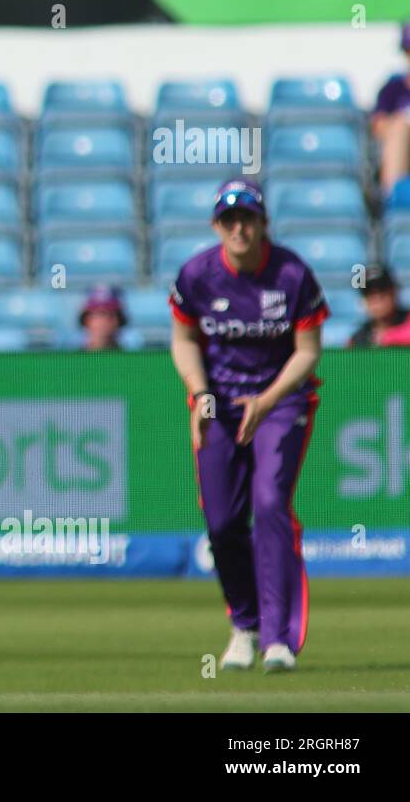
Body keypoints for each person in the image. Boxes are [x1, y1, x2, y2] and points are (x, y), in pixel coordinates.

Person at [168, 179, 328, 674]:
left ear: (263, 224)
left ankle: (279, 638)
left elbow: (308, 352)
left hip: (281, 398)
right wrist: (198, 394)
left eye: (249, 219)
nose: (240, 228)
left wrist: (267, 400)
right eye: (230, 220)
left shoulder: (291, 273)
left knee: (270, 504)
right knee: (220, 520)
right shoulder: (197, 274)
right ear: (217, 226)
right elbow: (184, 339)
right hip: (217, 402)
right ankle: (245, 625)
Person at [371, 21, 410, 194]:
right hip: (402, 150)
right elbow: (378, 127)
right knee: (399, 130)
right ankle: (393, 198)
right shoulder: (392, 89)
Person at [347, 264, 406, 347]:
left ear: (394, 291)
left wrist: (388, 338)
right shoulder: (358, 339)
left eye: (382, 290)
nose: (377, 298)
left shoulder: (407, 320)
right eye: (369, 292)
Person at [77, 285, 127, 351]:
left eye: (111, 314)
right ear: (85, 319)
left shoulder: (132, 359)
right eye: (99, 313)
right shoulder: (69, 359)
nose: (104, 320)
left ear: (119, 320)